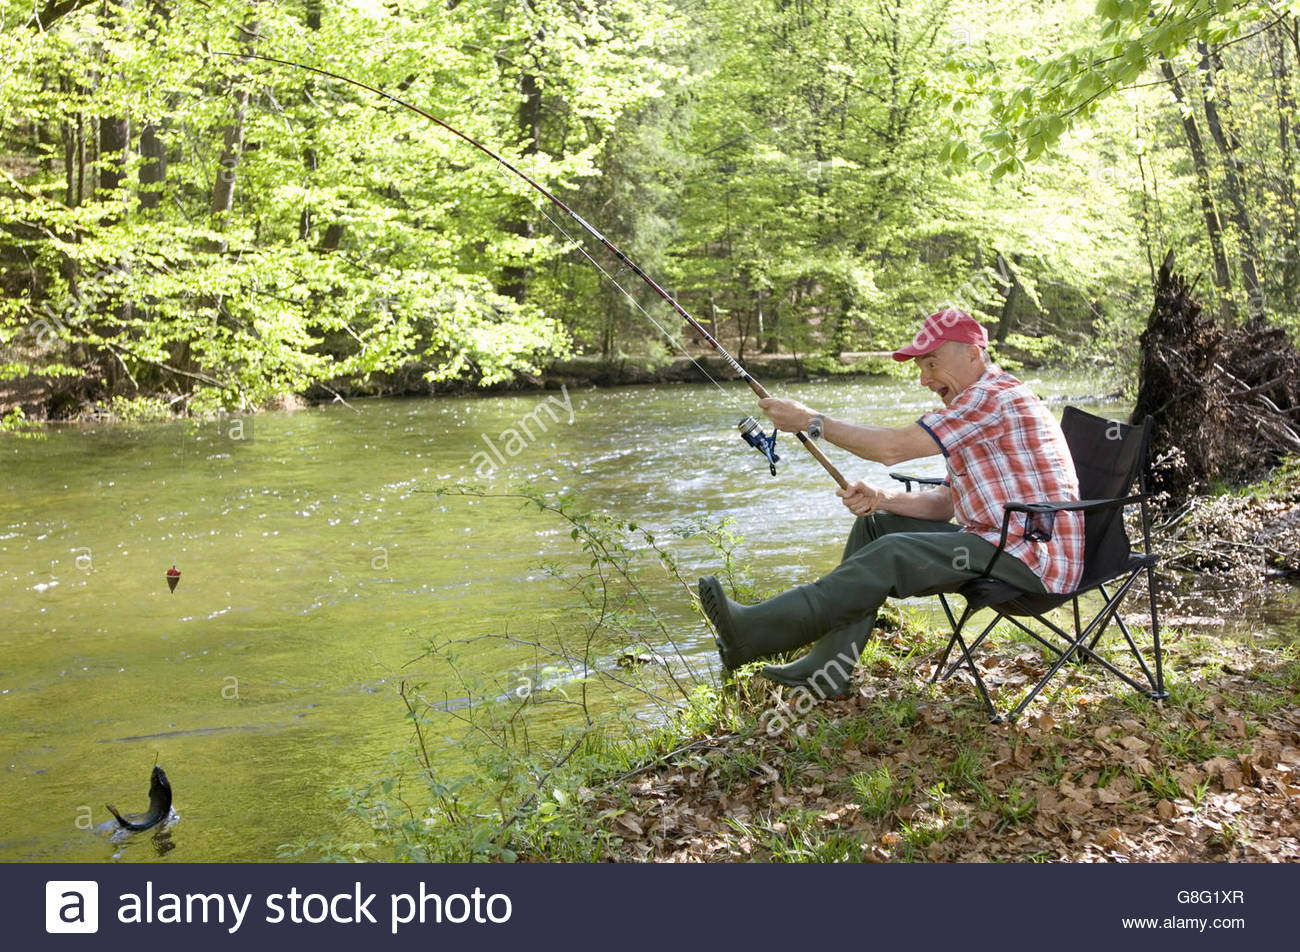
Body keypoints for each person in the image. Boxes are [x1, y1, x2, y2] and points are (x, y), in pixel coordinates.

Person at [697, 309, 1085, 699]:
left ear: (972, 353)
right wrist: (884, 499)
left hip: (1032, 562)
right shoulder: (973, 408)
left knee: (893, 553)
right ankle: (828, 667)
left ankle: (755, 633)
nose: (925, 378)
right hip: (998, 544)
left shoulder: (992, 398)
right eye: (920, 367)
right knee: (876, 526)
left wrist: (811, 420)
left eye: (932, 363)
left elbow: (891, 449)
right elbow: (947, 502)